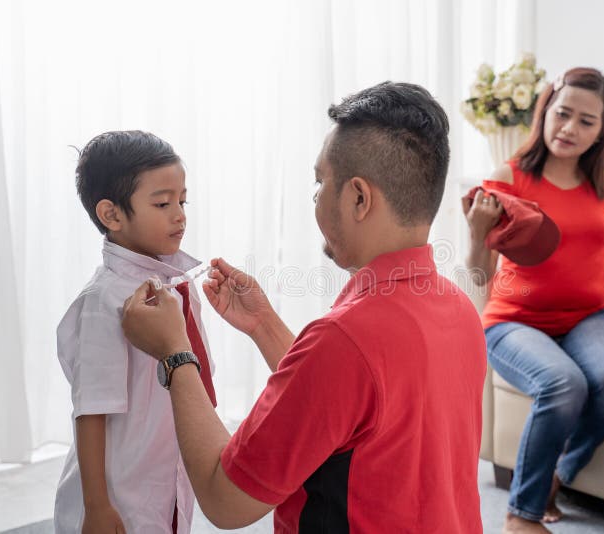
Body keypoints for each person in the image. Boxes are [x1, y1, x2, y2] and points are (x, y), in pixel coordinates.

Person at [120, 82, 487, 533]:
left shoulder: (345, 340)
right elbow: (347, 409)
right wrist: (263, 325)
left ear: (358, 197)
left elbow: (224, 499)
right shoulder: (457, 308)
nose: (315, 196)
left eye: (320, 181)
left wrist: (176, 354)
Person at [463, 67, 604, 534]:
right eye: (563, 114)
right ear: (544, 112)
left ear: (603, 129)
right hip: (512, 320)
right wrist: (477, 232)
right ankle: (522, 515)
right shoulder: (510, 177)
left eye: (587, 121)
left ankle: (558, 472)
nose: (570, 129)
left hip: (588, 316)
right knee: (564, 383)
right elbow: (481, 274)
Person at [54, 131, 216, 533]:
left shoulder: (175, 283)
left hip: (165, 473)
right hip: (121, 492)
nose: (179, 214)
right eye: (162, 203)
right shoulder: (106, 301)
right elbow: (91, 409)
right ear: (112, 215)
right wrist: (96, 506)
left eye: (182, 200)